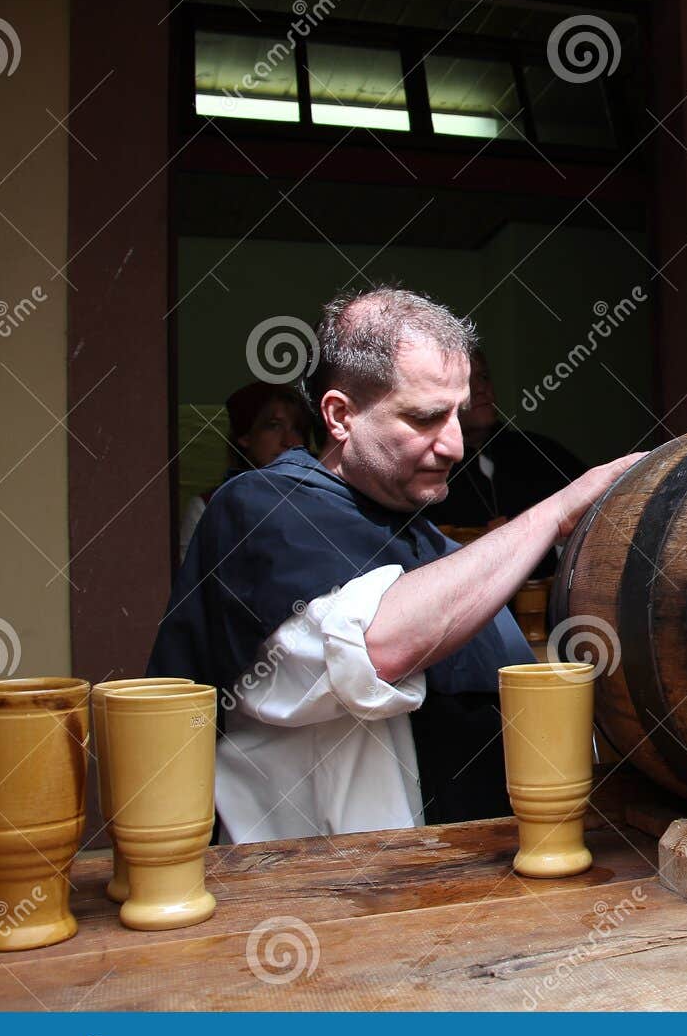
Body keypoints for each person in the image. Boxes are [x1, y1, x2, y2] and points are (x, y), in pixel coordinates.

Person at [148, 287, 641, 843]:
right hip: (310, 897)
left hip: (449, 890)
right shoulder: (261, 508)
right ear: (340, 416)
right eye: (426, 418)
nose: (454, 445)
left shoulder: (427, 541)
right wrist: (555, 512)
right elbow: (371, 647)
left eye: (458, 414)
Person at [424, 347, 584, 578]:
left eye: (484, 377)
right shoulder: (428, 469)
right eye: (467, 380)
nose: (481, 389)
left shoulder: (536, 450)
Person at [177, 381, 311, 561]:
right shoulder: (207, 508)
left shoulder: (320, 502)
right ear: (245, 436)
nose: (289, 441)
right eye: (274, 425)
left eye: (297, 429)